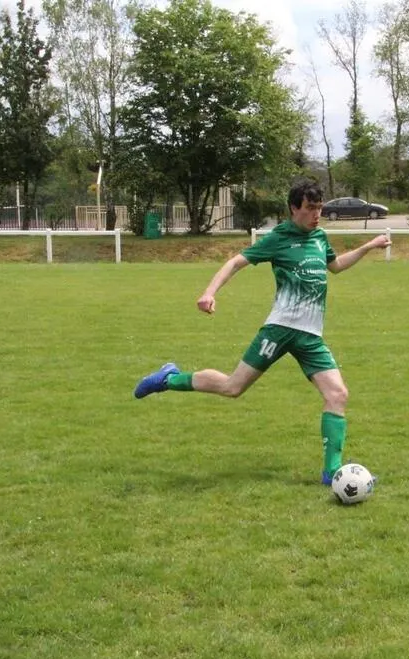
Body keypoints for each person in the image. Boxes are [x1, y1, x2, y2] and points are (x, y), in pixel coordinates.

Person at [132, 179, 392, 485]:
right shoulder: (278, 238)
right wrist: (209, 293)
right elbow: (235, 263)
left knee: (338, 394)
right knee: (232, 387)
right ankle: (169, 378)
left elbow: (334, 266)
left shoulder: (320, 237)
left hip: (310, 336)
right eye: (310, 208)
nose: (316, 214)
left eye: (320, 208)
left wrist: (368, 247)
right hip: (280, 329)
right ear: (293, 208)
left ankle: (331, 472)